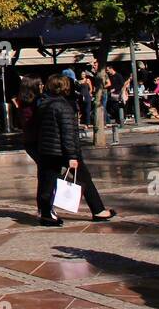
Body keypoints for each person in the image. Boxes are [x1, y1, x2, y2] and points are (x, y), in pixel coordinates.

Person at [33, 73, 115, 226]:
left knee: (47, 182)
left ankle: (46, 214)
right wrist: (72, 155)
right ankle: (98, 210)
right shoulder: (64, 106)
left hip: (47, 149)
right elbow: (68, 132)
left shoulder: (43, 104)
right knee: (84, 178)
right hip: (64, 150)